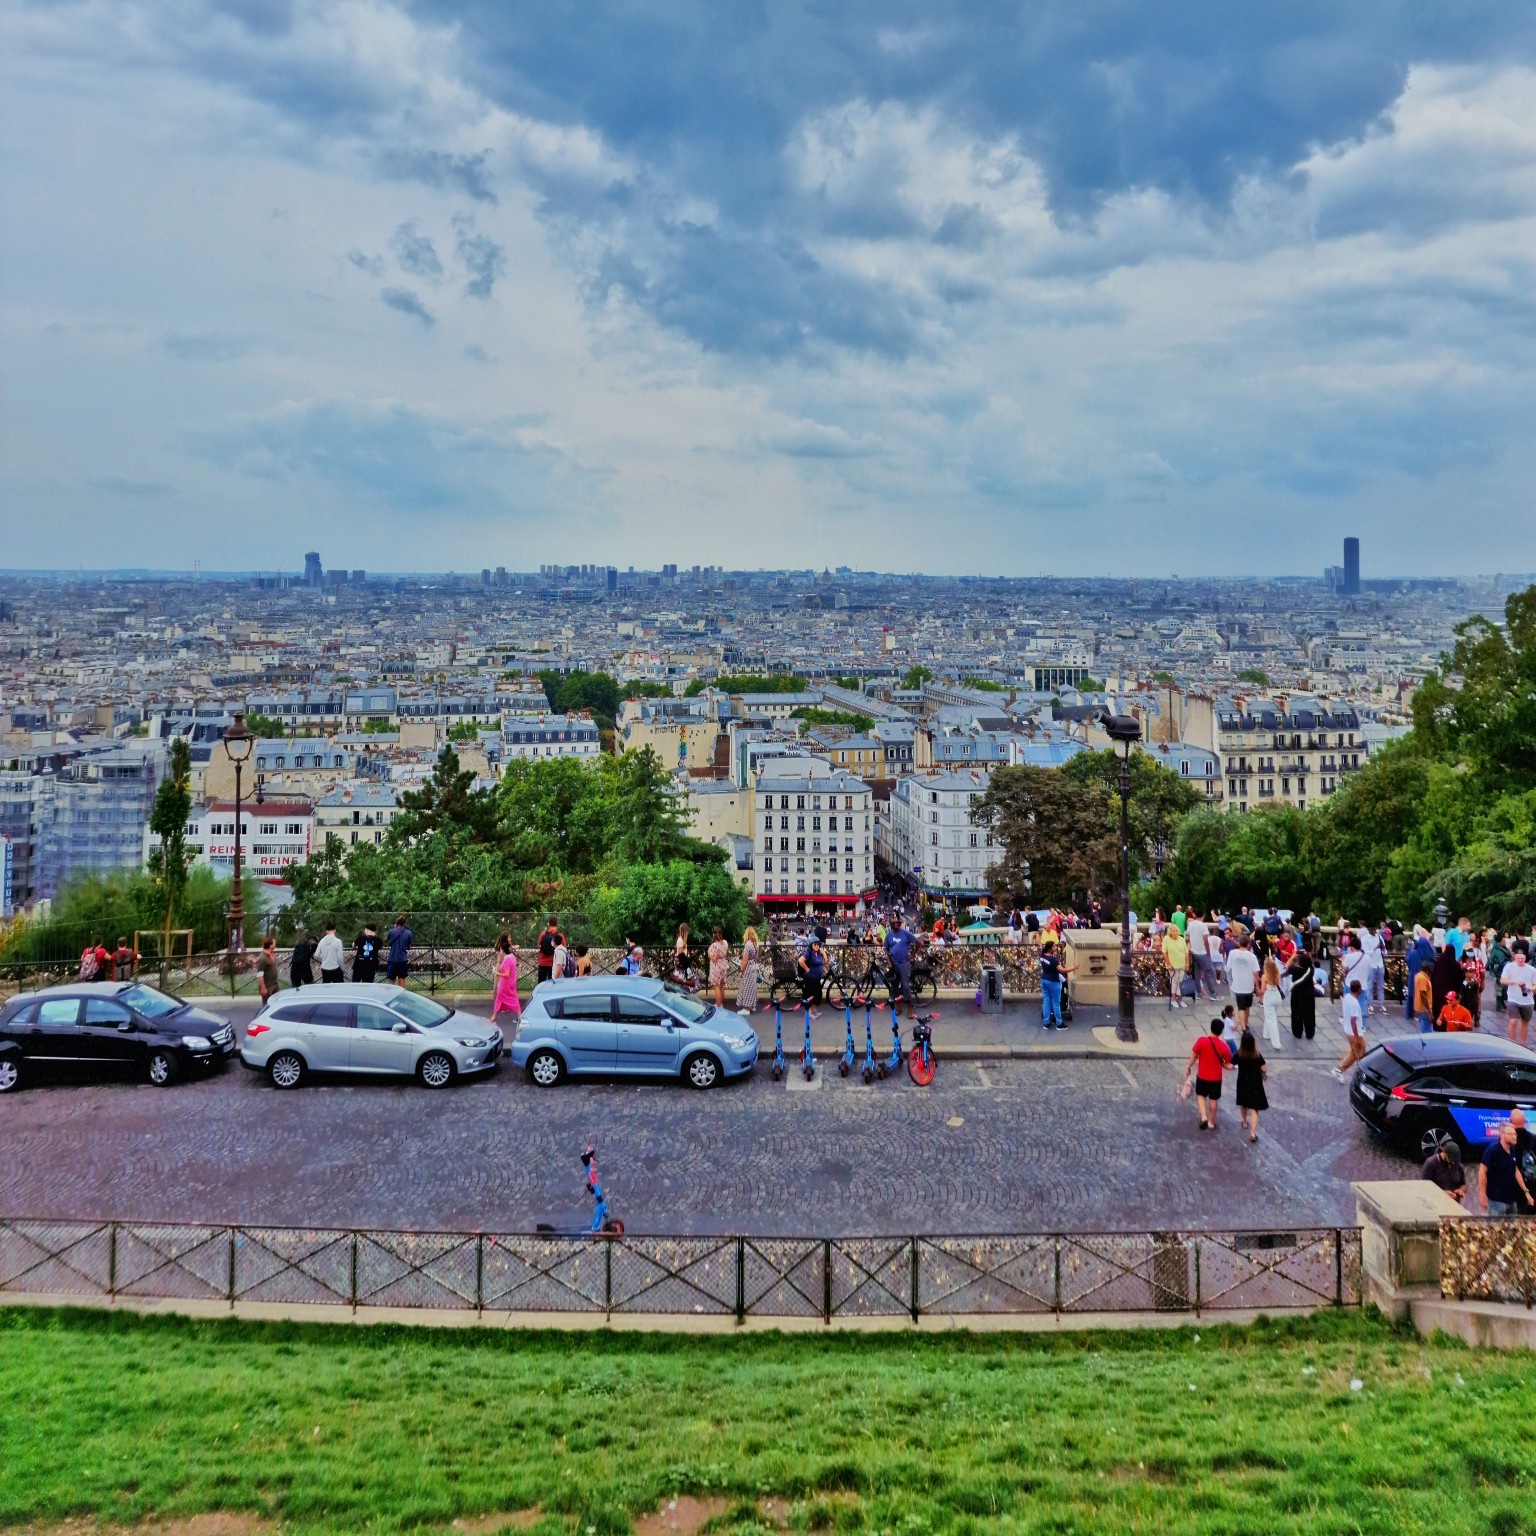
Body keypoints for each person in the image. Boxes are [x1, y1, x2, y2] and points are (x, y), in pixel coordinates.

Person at [1183, 1019, 1232, 1133]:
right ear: (1221, 1031)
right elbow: (1227, 1063)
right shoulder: (1224, 1047)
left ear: (1210, 1028)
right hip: (1216, 1078)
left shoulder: (1202, 1041)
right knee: (1213, 1100)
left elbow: (1194, 1056)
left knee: (1201, 1095)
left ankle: (1204, 1116)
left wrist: (1188, 1067)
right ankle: (1210, 1122)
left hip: (1202, 1076)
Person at [1478, 1122, 1534, 1216]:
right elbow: (1482, 1171)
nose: (1514, 1136)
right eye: (1511, 1134)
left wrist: (1526, 1192)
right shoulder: (1492, 1150)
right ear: (1502, 1134)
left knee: (1513, 1227)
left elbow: (1515, 1170)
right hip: (1497, 1201)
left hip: (1512, 1199)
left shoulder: (1512, 1149)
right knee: (1495, 1227)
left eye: (1514, 1134)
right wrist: (1482, 1194)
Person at [1234, 1030, 1268, 1144]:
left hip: (1243, 1082)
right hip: (1255, 1083)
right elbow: (1264, 1068)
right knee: (1254, 1108)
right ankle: (1253, 1133)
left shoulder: (1239, 1054)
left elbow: (1231, 1063)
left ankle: (1244, 1121)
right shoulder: (1257, 1054)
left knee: (1243, 1103)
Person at [1500, 942, 1536, 1048]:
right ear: (1515, 957)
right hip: (1513, 998)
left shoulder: (1532, 970)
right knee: (1513, 1021)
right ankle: (1511, 1044)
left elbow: (1535, 986)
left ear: (1525, 958)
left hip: (1527, 1000)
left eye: (1522, 958)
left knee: (1524, 1023)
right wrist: (1514, 982)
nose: (1520, 960)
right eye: (1518, 958)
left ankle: (1522, 1044)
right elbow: (1502, 980)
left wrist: (1529, 988)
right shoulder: (1509, 967)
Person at [884, 915, 918, 1021]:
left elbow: (918, 943)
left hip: (904, 964)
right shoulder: (888, 935)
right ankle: (898, 1006)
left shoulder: (906, 933)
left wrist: (912, 954)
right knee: (894, 987)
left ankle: (909, 1007)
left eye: (896, 922)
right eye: (893, 923)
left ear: (899, 923)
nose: (895, 924)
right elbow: (885, 949)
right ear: (890, 925)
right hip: (893, 963)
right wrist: (889, 961)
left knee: (905, 986)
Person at [1332, 978, 1366, 1081]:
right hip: (1355, 1033)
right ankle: (1340, 1070)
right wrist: (1356, 1036)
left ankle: (1341, 1070)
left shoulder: (1347, 997)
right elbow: (1353, 1021)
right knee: (1360, 1055)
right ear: (1359, 990)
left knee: (1356, 1053)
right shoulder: (1355, 1003)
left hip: (1348, 1030)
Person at [1224, 935, 1260, 1030]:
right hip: (1249, 986)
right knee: (1247, 1006)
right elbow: (1255, 973)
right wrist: (1258, 987)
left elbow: (1230, 969)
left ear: (1239, 943)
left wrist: (1234, 977)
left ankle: (1243, 1026)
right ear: (1248, 944)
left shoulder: (1232, 953)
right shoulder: (1252, 956)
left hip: (1238, 985)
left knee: (1241, 1007)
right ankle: (1245, 1024)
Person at [1039, 934, 1071, 1031]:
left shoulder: (1042, 955)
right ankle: (1059, 1023)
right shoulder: (1053, 960)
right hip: (1053, 981)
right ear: (1050, 949)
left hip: (1044, 979)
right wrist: (1074, 967)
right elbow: (1062, 971)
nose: (1056, 947)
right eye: (1054, 946)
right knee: (1056, 1003)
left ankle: (1046, 1023)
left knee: (1046, 1001)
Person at [1287, 944, 1317, 1040]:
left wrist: (1293, 955)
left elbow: (1286, 966)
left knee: (1297, 1012)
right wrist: (1307, 956)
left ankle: (1297, 1032)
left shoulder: (1295, 969)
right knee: (1309, 1013)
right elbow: (1311, 963)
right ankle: (1310, 1033)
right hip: (1309, 994)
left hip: (1297, 994)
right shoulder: (1310, 970)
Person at [1429, 941, 1463, 1025]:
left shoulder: (1438, 962)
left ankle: (1438, 1023)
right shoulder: (1455, 965)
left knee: (1438, 1006)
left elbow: (1433, 976)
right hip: (1450, 992)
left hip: (1438, 990)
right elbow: (1460, 978)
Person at [490, 934, 520, 1025]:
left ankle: (494, 1016)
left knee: (501, 997)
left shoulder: (506, 960)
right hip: (511, 982)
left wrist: (496, 972)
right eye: (509, 938)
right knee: (512, 998)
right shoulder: (512, 957)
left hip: (505, 983)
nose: (510, 939)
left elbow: (506, 974)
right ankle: (496, 1014)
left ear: (503, 950)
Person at [1185, 910, 1215, 1000]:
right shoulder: (1203, 926)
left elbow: (1189, 938)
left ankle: (1198, 993)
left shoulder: (1190, 924)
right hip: (1202, 952)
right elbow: (1206, 941)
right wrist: (1208, 953)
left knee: (1196, 974)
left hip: (1194, 952)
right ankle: (1213, 994)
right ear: (1203, 915)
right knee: (1208, 974)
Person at [1259, 954, 1284, 1048]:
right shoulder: (1277, 974)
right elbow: (1278, 984)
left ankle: (1276, 1042)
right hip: (1277, 995)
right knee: (1270, 1016)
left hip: (1269, 996)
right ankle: (1266, 1034)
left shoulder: (1265, 976)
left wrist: (1258, 993)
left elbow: (1262, 990)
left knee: (1271, 1019)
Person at [1161, 922, 1189, 1009]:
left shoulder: (1181, 939)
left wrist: (1187, 964)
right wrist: (1168, 964)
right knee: (1174, 982)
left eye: (1177, 931)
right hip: (1173, 965)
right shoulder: (1166, 939)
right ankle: (1173, 999)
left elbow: (1186, 952)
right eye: (1174, 931)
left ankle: (1179, 999)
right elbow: (1164, 953)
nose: (1176, 932)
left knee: (1181, 982)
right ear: (1170, 932)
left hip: (1182, 964)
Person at [797, 934, 825, 1013]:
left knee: (817, 995)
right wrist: (807, 969)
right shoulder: (808, 952)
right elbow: (800, 960)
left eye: (818, 944)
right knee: (810, 995)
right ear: (811, 945)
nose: (817, 946)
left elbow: (826, 961)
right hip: (810, 978)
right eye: (815, 944)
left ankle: (813, 1010)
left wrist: (824, 953)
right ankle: (809, 1013)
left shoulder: (818, 952)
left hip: (816, 978)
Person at [737, 925, 760, 1013]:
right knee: (752, 988)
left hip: (748, 969)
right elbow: (756, 958)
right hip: (753, 967)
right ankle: (752, 1006)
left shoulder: (747, 945)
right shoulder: (755, 944)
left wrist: (741, 971)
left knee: (746, 988)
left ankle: (746, 1009)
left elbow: (744, 961)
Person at [384, 915, 412, 982]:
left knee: (391, 979)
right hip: (403, 959)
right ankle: (401, 992)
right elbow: (409, 947)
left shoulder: (391, 931)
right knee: (402, 979)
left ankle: (391, 992)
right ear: (404, 923)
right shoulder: (409, 933)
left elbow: (385, 940)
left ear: (396, 922)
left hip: (392, 959)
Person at [707, 926, 729, 1009]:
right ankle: (721, 1003)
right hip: (723, 965)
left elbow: (713, 958)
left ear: (713, 934)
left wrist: (709, 952)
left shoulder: (714, 945)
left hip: (716, 967)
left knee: (716, 986)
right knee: (722, 986)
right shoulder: (725, 942)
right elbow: (725, 954)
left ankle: (718, 1005)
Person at [536, 916, 561, 985]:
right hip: (553, 963)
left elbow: (538, 946)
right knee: (553, 984)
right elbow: (563, 948)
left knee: (541, 983)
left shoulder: (543, 933)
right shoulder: (559, 935)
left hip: (542, 962)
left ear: (549, 923)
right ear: (557, 923)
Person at [256, 936, 280, 1006]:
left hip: (274, 984)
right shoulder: (262, 958)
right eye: (274, 943)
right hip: (268, 986)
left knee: (275, 1005)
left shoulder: (271, 954)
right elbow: (260, 974)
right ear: (270, 945)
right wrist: (263, 988)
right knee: (267, 1005)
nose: (275, 944)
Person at [1411, 962, 1434, 1033]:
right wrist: (1429, 1012)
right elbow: (1423, 995)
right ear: (1427, 970)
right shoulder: (1423, 979)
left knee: (1423, 1028)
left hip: (1420, 1008)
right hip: (1424, 1009)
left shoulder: (1418, 975)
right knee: (1426, 1031)